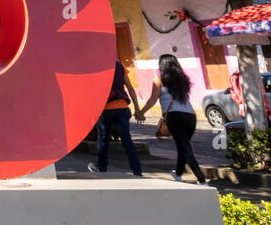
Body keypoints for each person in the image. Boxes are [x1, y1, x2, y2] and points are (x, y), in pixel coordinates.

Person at [138, 54, 206, 184]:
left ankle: (201, 179)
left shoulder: (159, 79)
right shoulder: (183, 80)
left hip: (175, 116)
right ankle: (178, 173)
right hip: (191, 116)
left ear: (161, 65)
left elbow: (153, 99)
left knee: (185, 148)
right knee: (183, 146)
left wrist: (141, 112)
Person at [87, 59, 143, 176]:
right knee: (127, 140)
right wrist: (137, 108)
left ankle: (102, 167)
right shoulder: (119, 65)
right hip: (121, 107)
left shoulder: (96, 65)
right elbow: (130, 87)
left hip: (105, 110)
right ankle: (137, 170)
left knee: (103, 139)